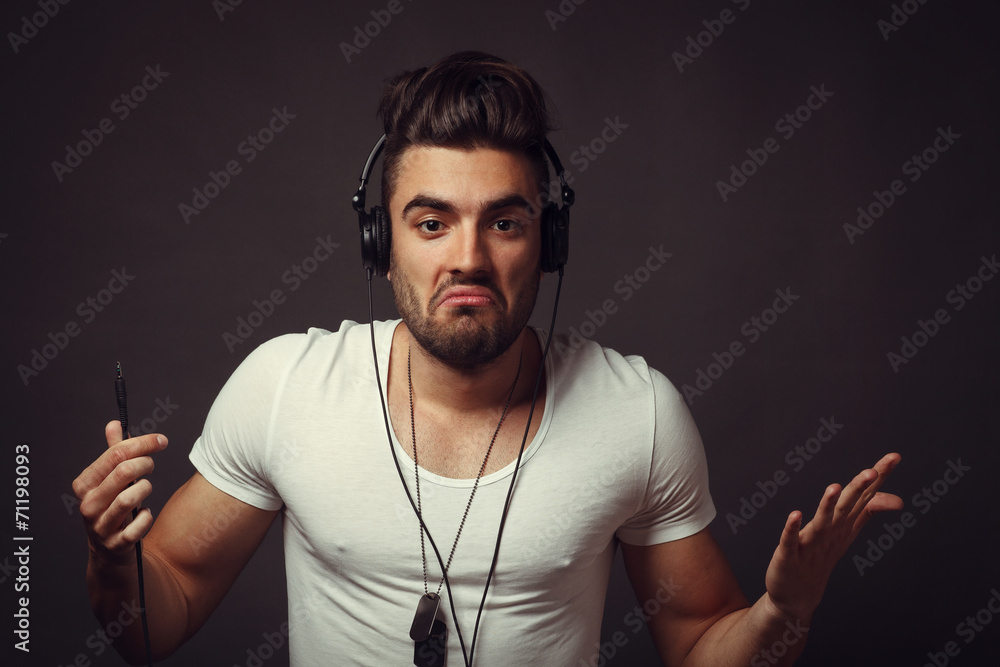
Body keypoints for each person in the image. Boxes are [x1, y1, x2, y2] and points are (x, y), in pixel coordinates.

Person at [73, 51, 902, 666]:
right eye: (431, 223)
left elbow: (700, 647)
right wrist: (112, 563)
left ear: (548, 241)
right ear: (380, 241)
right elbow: (158, 619)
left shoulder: (636, 411)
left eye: (503, 222)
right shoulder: (286, 388)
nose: (466, 257)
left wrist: (784, 611)